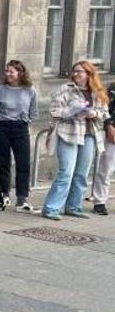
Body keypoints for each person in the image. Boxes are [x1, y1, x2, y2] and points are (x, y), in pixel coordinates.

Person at [43, 61, 109, 221]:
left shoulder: (97, 91)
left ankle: (73, 206)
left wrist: (94, 113)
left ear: (89, 74)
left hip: (89, 135)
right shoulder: (65, 89)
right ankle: (51, 208)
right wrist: (72, 111)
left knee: (81, 174)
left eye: (80, 72)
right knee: (66, 172)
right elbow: (54, 111)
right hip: (69, 133)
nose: (76, 74)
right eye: (75, 72)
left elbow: (105, 113)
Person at [0, 60, 38, 212]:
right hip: (2, 127)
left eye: (11, 71)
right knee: (2, 162)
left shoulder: (30, 90)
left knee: (23, 163)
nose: (8, 74)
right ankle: (4, 194)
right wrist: (1, 120)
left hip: (21, 127)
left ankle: (22, 198)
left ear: (20, 73)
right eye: (6, 71)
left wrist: (25, 121)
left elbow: (33, 112)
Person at [97, 80, 115, 216]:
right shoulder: (112, 87)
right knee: (106, 168)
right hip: (113, 131)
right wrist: (109, 126)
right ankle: (100, 201)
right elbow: (105, 108)